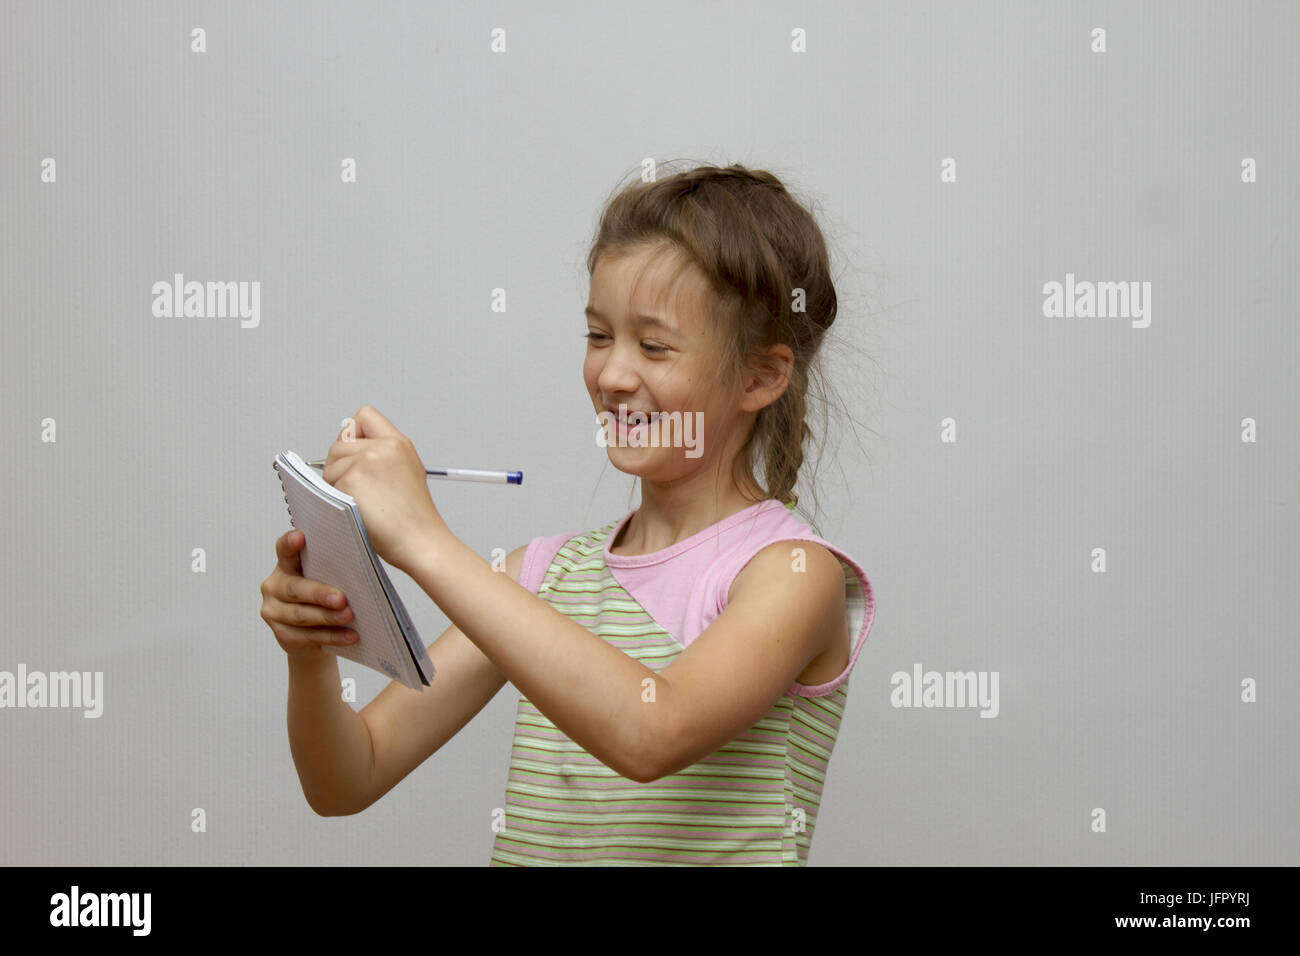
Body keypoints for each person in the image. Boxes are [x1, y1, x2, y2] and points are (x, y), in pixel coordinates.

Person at [258, 162, 876, 865]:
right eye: (597, 336)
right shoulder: (541, 578)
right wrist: (308, 657)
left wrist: (424, 539)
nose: (611, 375)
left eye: (654, 345)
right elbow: (347, 777)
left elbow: (654, 732)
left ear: (762, 376)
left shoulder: (793, 575)